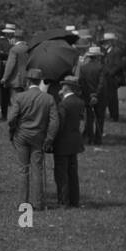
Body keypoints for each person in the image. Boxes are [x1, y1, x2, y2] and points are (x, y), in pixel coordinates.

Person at [7, 67, 59, 211]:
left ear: (28, 80)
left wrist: (13, 130)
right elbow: (55, 122)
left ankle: (22, 202)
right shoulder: (48, 98)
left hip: (22, 135)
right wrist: (49, 139)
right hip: (39, 136)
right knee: (37, 169)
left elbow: (11, 118)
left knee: (23, 169)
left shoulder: (20, 97)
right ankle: (38, 202)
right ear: (40, 80)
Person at [45, 75, 84, 207]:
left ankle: (63, 201)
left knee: (61, 174)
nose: (60, 89)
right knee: (73, 173)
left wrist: (50, 140)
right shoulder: (79, 102)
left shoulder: (63, 105)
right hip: (75, 142)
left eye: (62, 86)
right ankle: (74, 200)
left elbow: (59, 125)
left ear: (66, 88)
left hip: (62, 143)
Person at [77, 44, 106, 145]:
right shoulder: (101, 67)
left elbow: (81, 83)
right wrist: (96, 95)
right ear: (98, 56)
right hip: (99, 97)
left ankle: (89, 138)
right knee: (100, 118)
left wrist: (89, 95)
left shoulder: (83, 68)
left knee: (89, 118)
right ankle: (98, 139)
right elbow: (102, 83)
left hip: (87, 96)